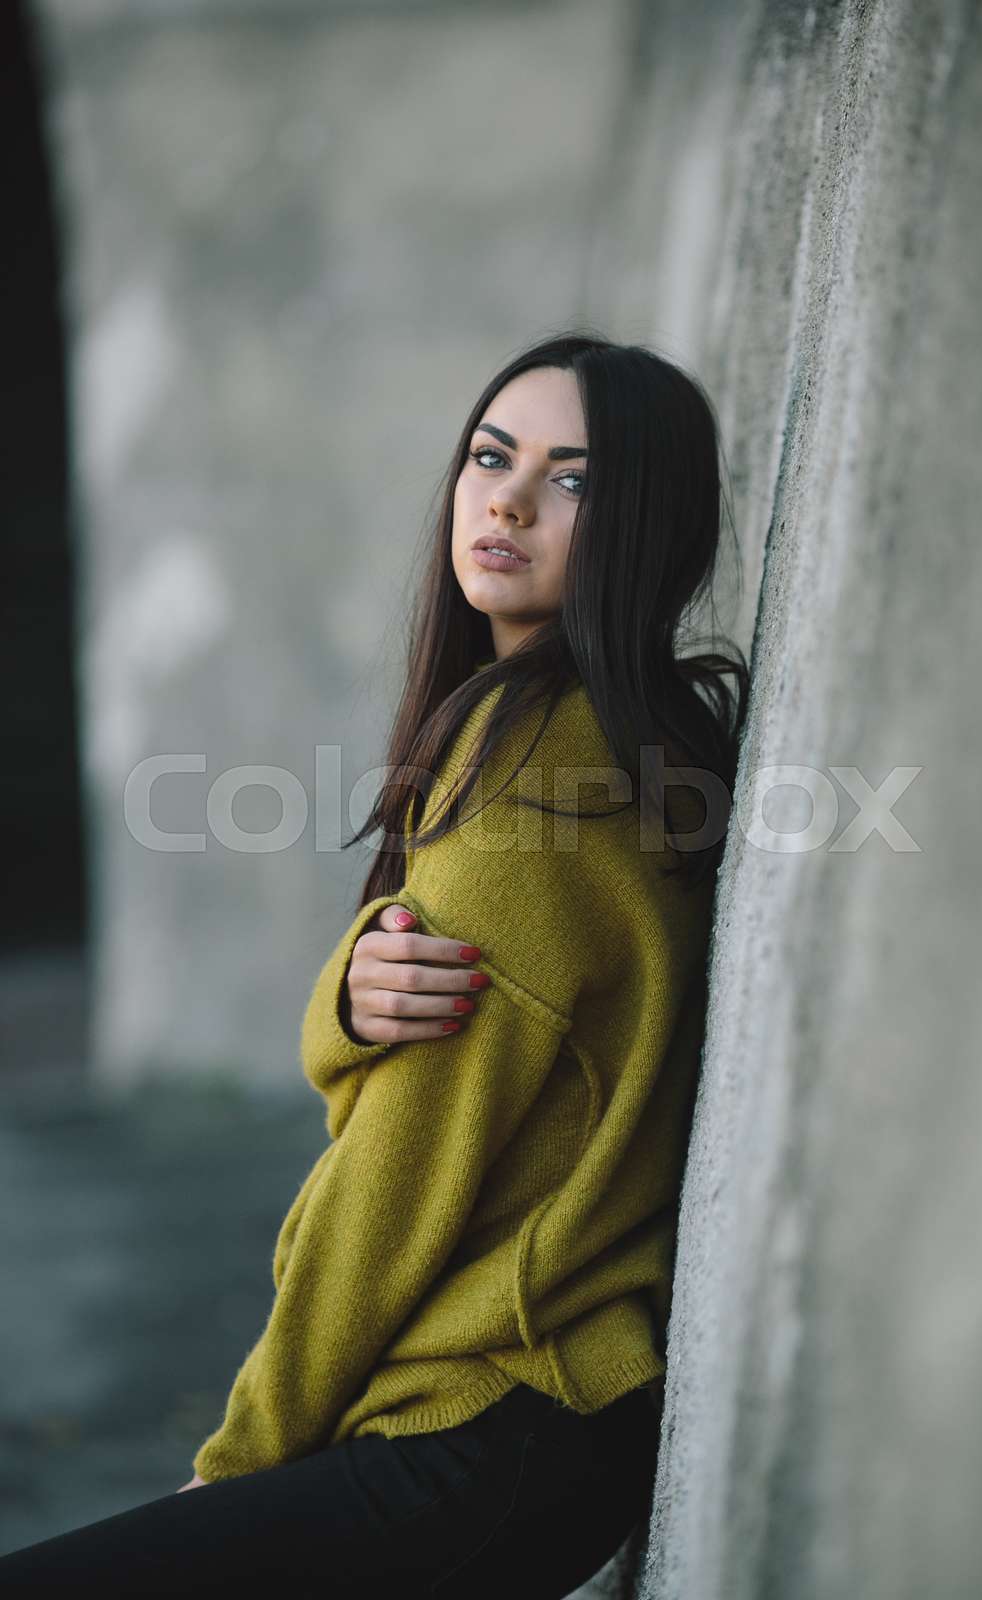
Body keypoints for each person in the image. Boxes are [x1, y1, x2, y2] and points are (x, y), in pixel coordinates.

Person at [0, 330, 749, 1595]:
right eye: (489, 456)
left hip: (487, 1425)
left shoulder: (525, 819)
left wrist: (240, 1464)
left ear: (646, 528)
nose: (505, 499)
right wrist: (344, 1002)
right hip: (543, 1418)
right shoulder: (594, 752)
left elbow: (389, 1188)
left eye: (573, 479)